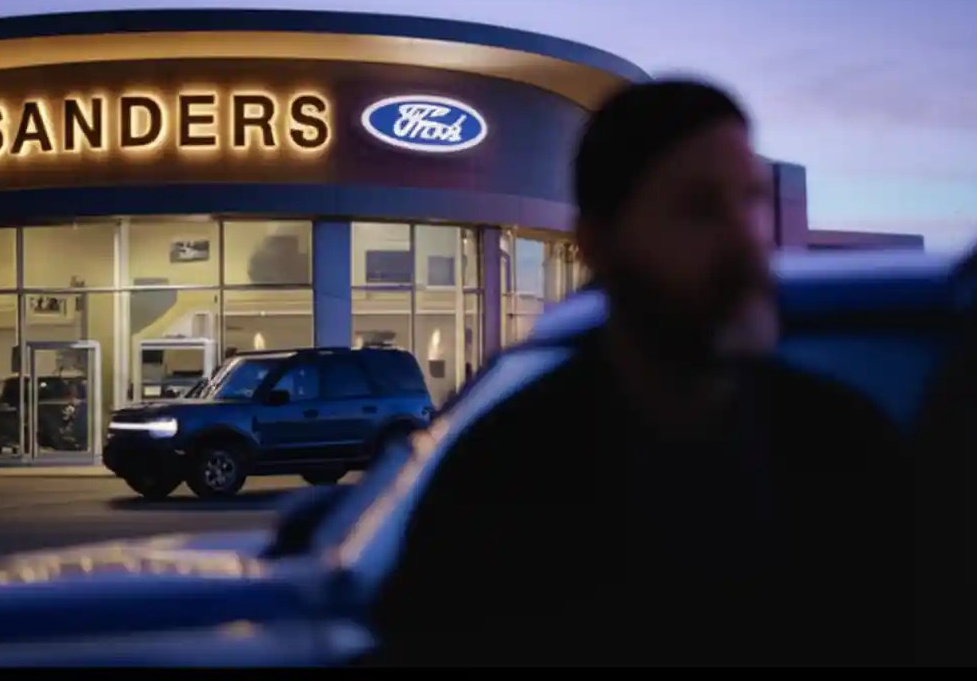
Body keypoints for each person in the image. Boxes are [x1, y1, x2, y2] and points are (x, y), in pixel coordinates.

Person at [366, 79, 925, 666]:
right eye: (700, 208)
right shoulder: (502, 479)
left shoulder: (842, 451)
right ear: (599, 242)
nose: (746, 241)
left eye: (753, 201)